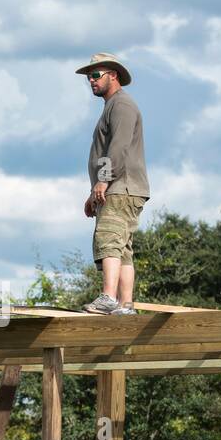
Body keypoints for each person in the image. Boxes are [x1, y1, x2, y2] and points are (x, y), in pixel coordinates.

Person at [76, 52, 149, 315]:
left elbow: (118, 146)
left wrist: (103, 181)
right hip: (119, 187)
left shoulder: (122, 105)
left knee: (108, 239)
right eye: (88, 77)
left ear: (113, 75)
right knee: (122, 248)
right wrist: (94, 191)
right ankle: (125, 305)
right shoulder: (114, 106)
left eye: (96, 75)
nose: (91, 81)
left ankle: (108, 298)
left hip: (120, 186)